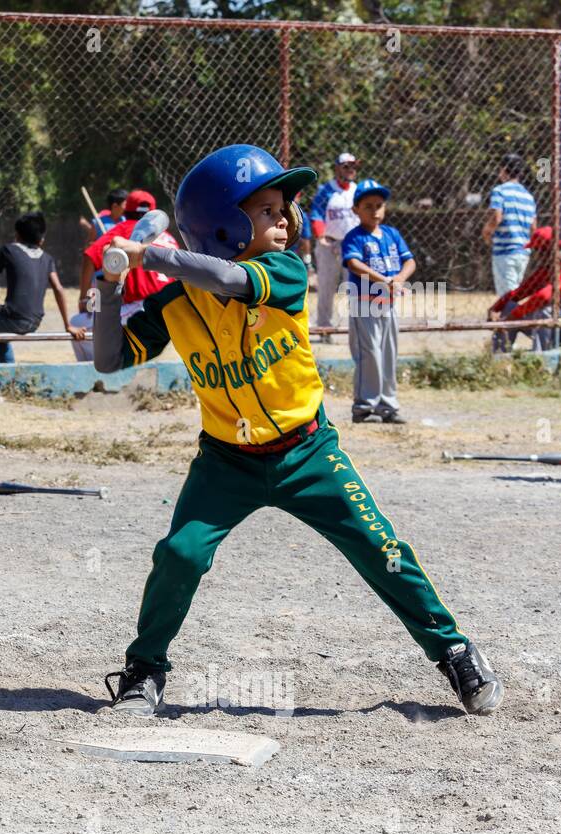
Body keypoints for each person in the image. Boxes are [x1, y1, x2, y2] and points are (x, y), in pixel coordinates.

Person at [92, 144, 502, 719]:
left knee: (379, 548)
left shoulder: (282, 271)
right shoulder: (175, 303)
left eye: (284, 207)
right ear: (222, 225)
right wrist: (108, 284)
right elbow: (107, 360)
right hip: (225, 461)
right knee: (179, 555)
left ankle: (452, 648)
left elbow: (228, 277)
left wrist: (148, 253)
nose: (285, 220)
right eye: (265, 210)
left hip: (307, 451)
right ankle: (144, 671)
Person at [68, 190, 178, 362]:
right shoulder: (169, 238)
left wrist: (83, 299)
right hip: (172, 308)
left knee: (77, 323)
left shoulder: (126, 228)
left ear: (127, 210)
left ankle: (93, 371)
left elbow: (90, 256)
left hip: (142, 306)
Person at [341, 179, 415, 424]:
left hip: (389, 304)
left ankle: (387, 406)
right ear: (356, 210)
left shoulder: (392, 234)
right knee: (369, 354)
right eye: (368, 206)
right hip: (365, 304)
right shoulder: (355, 236)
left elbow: (410, 261)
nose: (375, 211)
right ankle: (364, 407)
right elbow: (353, 263)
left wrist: (399, 279)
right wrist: (384, 279)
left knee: (388, 354)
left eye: (379, 205)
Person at [0, 211, 69, 364]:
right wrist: (68, 325)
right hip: (35, 321)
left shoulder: (8, 250)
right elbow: (59, 289)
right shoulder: (47, 258)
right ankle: (10, 375)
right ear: (41, 240)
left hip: (12, 318)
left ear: (17, 235)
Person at [489, 227, 561, 353]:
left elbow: (545, 296)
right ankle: (499, 357)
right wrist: (495, 308)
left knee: (546, 310)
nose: (537, 255)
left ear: (548, 250)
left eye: (538, 250)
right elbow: (518, 293)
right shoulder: (546, 270)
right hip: (559, 326)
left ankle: (541, 360)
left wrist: (513, 316)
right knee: (509, 306)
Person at [309, 152, 361, 337]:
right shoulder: (326, 190)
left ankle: (357, 327)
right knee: (326, 287)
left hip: (353, 246)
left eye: (353, 166)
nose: (351, 170)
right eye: (346, 166)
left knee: (355, 287)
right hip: (329, 244)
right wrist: (320, 235)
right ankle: (324, 328)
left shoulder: (358, 190)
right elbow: (316, 214)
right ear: (337, 168)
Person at [482, 153, 536, 308]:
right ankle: (507, 329)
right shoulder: (528, 195)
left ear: (504, 170)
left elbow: (497, 217)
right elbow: (534, 227)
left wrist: (486, 232)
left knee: (507, 296)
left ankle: (522, 327)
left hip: (505, 250)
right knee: (515, 291)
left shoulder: (500, 191)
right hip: (523, 251)